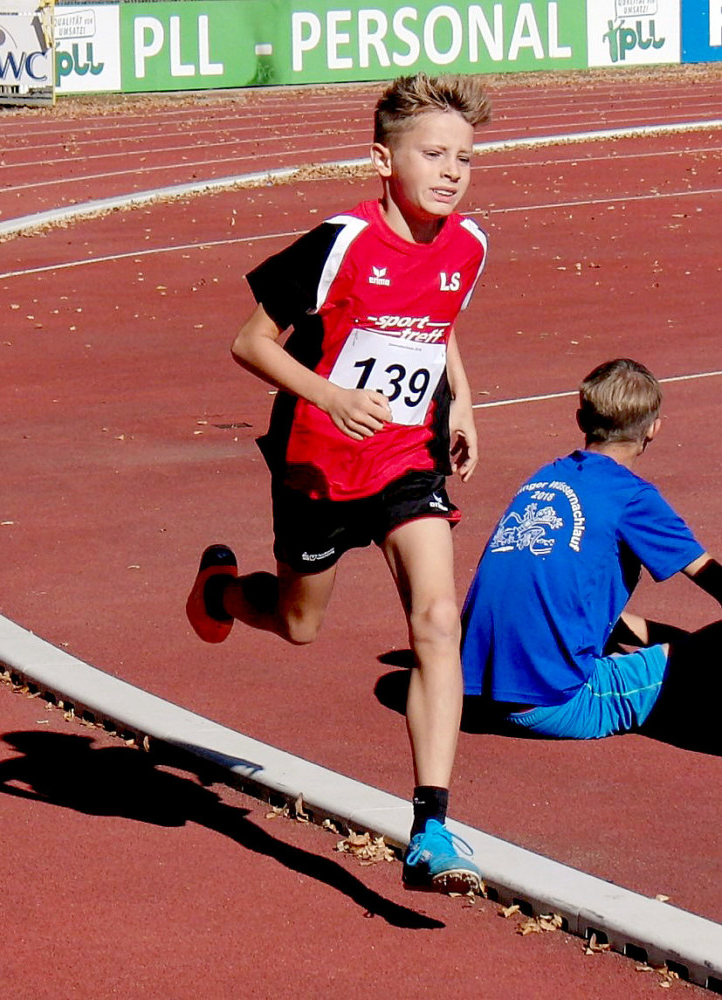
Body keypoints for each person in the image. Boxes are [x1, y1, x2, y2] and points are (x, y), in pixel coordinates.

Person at [186, 73, 492, 893]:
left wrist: (460, 401)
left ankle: (432, 827)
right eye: (434, 153)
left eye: (465, 156)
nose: (453, 170)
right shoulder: (342, 242)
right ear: (382, 159)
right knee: (297, 623)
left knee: (436, 619)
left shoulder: (469, 244)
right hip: (319, 461)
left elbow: (439, 323)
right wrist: (327, 394)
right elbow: (250, 343)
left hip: (405, 458)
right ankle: (221, 595)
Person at [461, 358, 722, 741]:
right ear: (653, 428)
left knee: (639, 629)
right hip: (556, 702)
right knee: (710, 652)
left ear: (581, 420)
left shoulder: (545, 476)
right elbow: (711, 577)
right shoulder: (632, 497)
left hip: (469, 690)